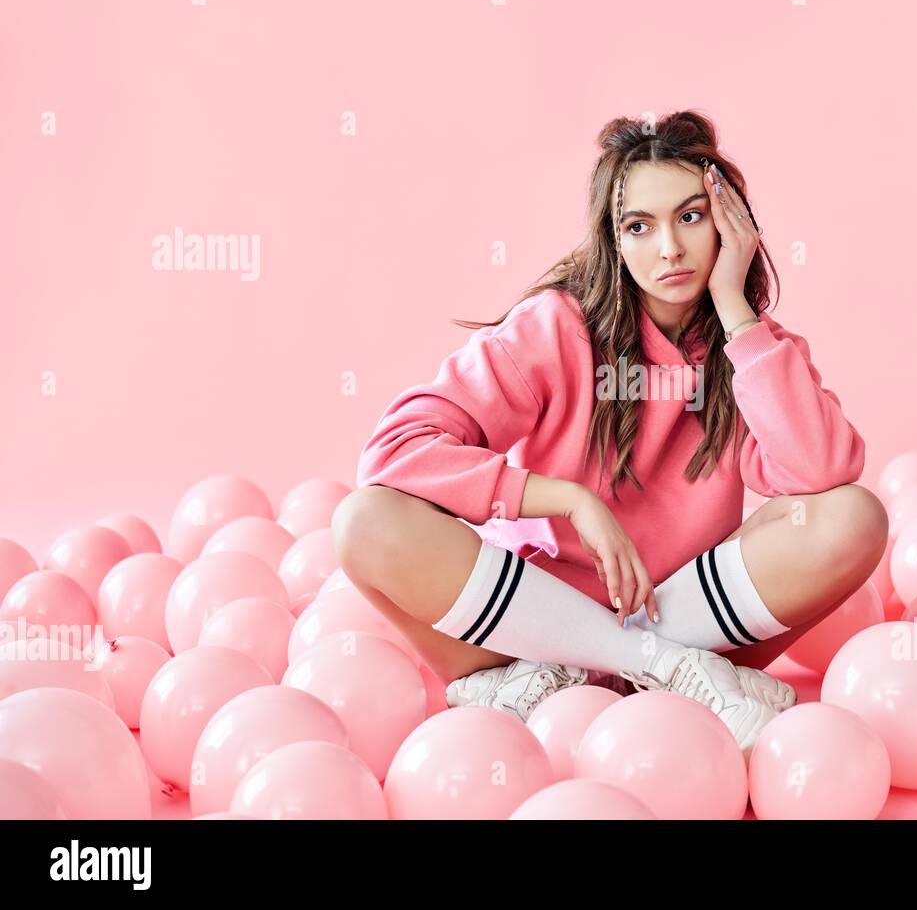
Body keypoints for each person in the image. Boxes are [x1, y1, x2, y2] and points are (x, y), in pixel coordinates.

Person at [332, 110, 888, 759]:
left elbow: (822, 468)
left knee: (856, 516)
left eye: (690, 216)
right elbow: (395, 449)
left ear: (728, 221)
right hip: (535, 633)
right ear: (614, 241)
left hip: (690, 623)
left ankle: (650, 665)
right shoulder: (555, 329)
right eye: (639, 226)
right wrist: (568, 500)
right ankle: (653, 668)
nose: (670, 250)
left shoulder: (753, 350)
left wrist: (737, 310)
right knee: (363, 521)